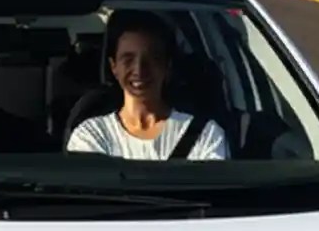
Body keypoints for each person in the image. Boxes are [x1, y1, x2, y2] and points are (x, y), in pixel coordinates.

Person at [66, 9, 228, 160]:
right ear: (114, 67)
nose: (139, 70)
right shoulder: (92, 135)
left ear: (167, 65)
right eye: (128, 59)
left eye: (152, 58)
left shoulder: (206, 135)